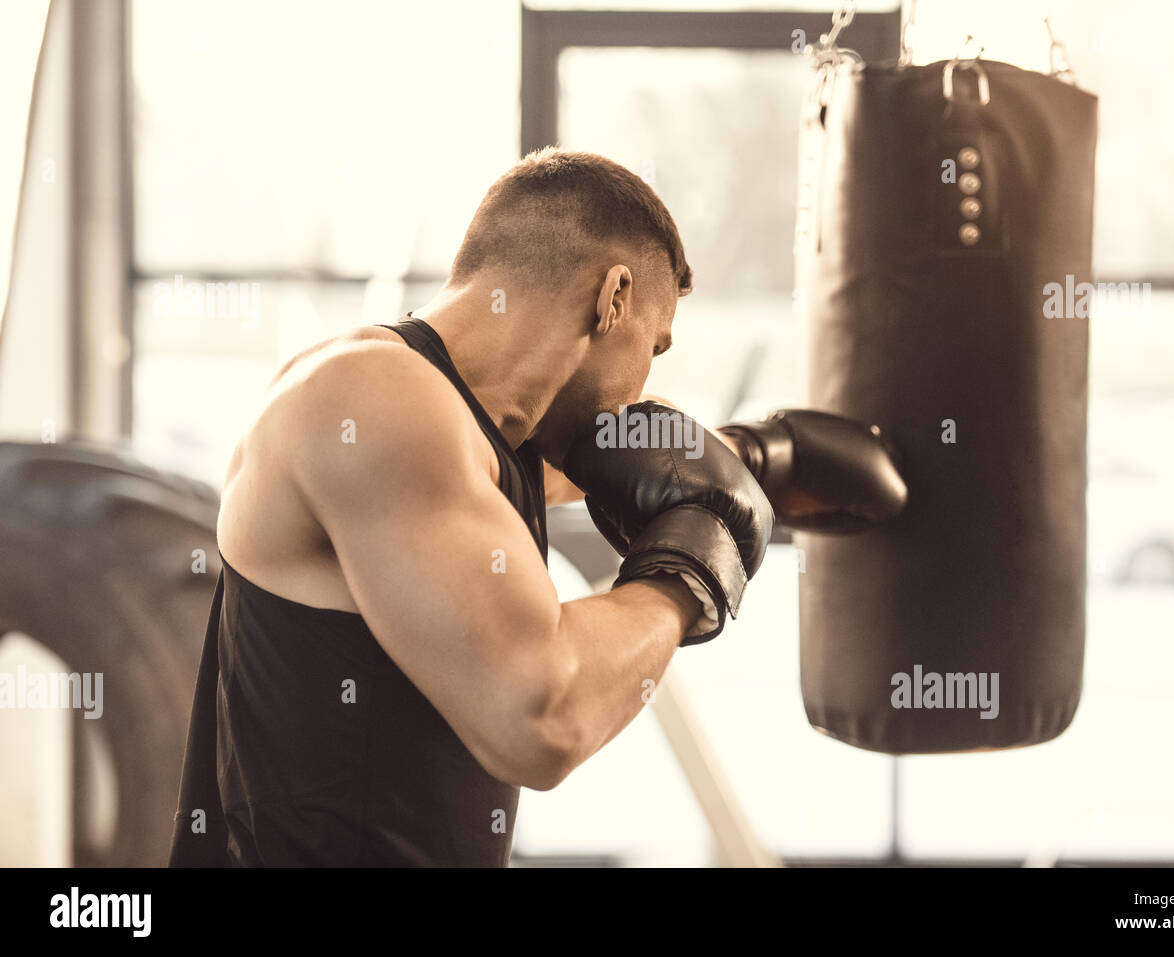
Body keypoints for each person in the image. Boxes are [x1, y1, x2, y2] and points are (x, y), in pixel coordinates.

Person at [167, 147, 773, 866]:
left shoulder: (488, 437)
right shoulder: (373, 399)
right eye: (656, 342)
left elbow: (638, 451)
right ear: (613, 297)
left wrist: (758, 453)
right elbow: (541, 720)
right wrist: (689, 571)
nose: (646, 377)